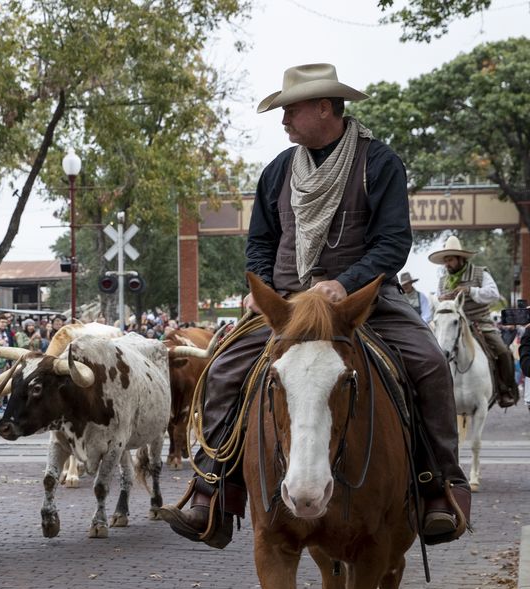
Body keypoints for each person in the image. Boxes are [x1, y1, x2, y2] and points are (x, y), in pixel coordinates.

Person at [158, 62, 470, 548]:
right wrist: (259, 288)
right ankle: (213, 491)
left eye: (291, 110)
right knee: (222, 370)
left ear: (325, 108)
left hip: (362, 303)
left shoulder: (379, 163)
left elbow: (392, 244)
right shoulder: (279, 170)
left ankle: (437, 488)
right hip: (286, 305)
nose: (283, 121)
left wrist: (345, 284)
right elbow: (261, 242)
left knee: (430, 364)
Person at [431, 235, 519, 408]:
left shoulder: (481, 273)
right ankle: (435, 394)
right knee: (435, 354)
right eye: (445, 261)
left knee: (503, 352)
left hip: (481, 324)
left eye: (450, 259)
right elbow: (439, 305)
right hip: (452, 325)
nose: (447, 264)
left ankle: (505, 389)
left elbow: (493, 294)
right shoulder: (443, 281)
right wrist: (442, 299)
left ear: (460, 259)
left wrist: (470, 291)